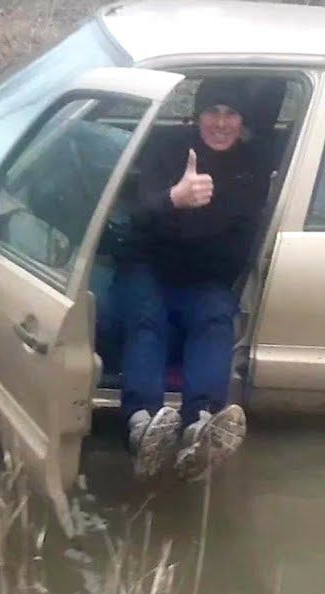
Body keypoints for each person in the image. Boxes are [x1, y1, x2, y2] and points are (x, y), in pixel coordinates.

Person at [116, 77, 271, 480]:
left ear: (243, 121)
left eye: (231, 114)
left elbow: (239, 240)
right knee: (147, 322)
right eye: (212, 112)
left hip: (206, 276)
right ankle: (142, 426)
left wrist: (180, 224)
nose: (221, 123)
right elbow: (136, 218)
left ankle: (199, 425)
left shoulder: (251, 166)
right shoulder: (167, 149)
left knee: (216, 319)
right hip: (149, 266)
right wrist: (174, 200)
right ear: (197, 116)